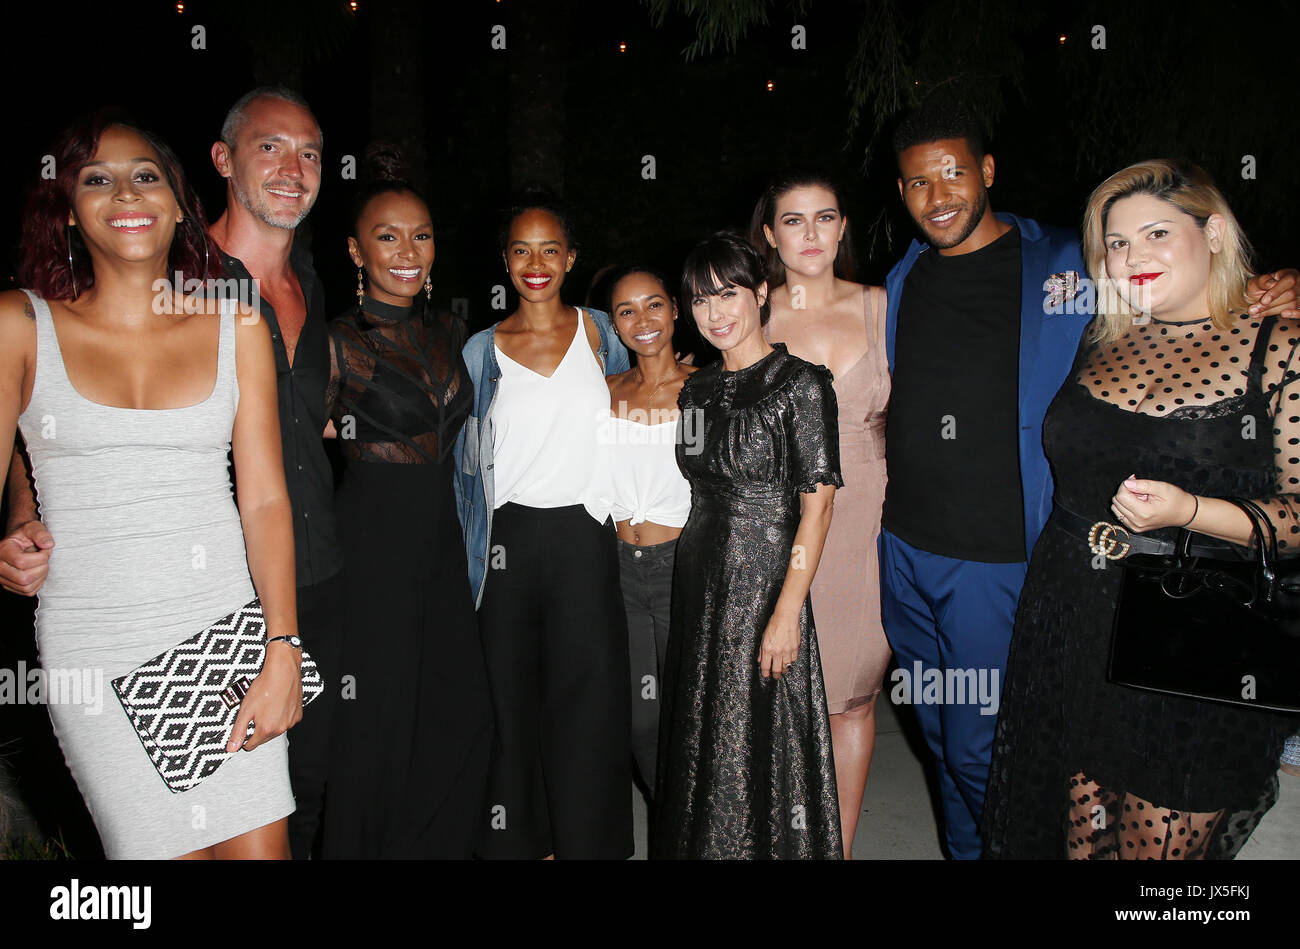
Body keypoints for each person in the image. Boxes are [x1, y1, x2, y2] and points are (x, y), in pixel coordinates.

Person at [879, 98, 1299, 860]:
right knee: (944, 739)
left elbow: (1195, 291)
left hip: (1013, 557)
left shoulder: (1071, 266)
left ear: (989, 172)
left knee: (988, 754)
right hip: (916, 551)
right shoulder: (903, 277)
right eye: (915, 183)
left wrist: (1280, 281)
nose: (936, 196)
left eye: (952, 174)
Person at [0, 87, 346, 860]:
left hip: (223, 630)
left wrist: (283, 645)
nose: (125, 193)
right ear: (65, 208)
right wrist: (15, 522)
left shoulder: (235, 320)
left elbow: (262, 498)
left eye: (146, 176)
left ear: (179, 202)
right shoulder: (19, 325)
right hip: (96, 642)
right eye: (96, 178)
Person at [983, 159, 1300, 859]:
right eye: (1118, 243)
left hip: (1194, 638)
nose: (1134, 256)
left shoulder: (1279, 347)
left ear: (1214, 231)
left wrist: (1192, 510)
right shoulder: (1101, 332)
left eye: (1157, 232)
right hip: (1072, 617)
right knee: (1081, 842)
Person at [320, 146, 493, 857]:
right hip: (371, 541)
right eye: (387, 235)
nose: (407, 250)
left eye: (420, 234)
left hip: (443, 541)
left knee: (463, 712)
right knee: (377, 721)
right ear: (356, 250)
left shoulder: (451, 332)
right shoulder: (331, 343)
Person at [453, 194, 633, 859]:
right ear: (505, 260)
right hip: (506, 544)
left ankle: (589, 843)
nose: (536, 263)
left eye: (549, 248)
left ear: (571, 258)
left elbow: (649, 395)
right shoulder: (480, 350)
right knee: (510, 705)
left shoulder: (602, 332)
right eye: (521, 250)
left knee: (589, 706)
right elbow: (464, 465)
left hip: (586, 538)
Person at [654, 232, 842, 859]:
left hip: (766, 585)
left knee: (762, 743)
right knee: (702, 738)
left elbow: (816, 509)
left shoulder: (803, 385)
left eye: (728, 293)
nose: (716, 312)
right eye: (701, 300)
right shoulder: (697, 391)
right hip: (699, 578)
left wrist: (788, 610)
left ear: (761, 292)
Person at [751, 170, 890, 857]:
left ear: (842, 227)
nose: (811, 233)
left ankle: (838, 848)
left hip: (867, 519)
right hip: (775, 522)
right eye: (794, 220)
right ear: (770, 234)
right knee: (778, 696)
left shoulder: (881, 306)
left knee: (852, 696)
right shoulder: (748, 311)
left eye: (825, 217)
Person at [602, 267, 695, 800]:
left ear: (676, 309)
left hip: (681, 565)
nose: (643, 320)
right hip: (618, 570)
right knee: (641, 722)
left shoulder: (704, 388)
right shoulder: (606, 391)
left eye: (654, 304)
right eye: (627, 310)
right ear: (614, 325)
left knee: (688, 720)